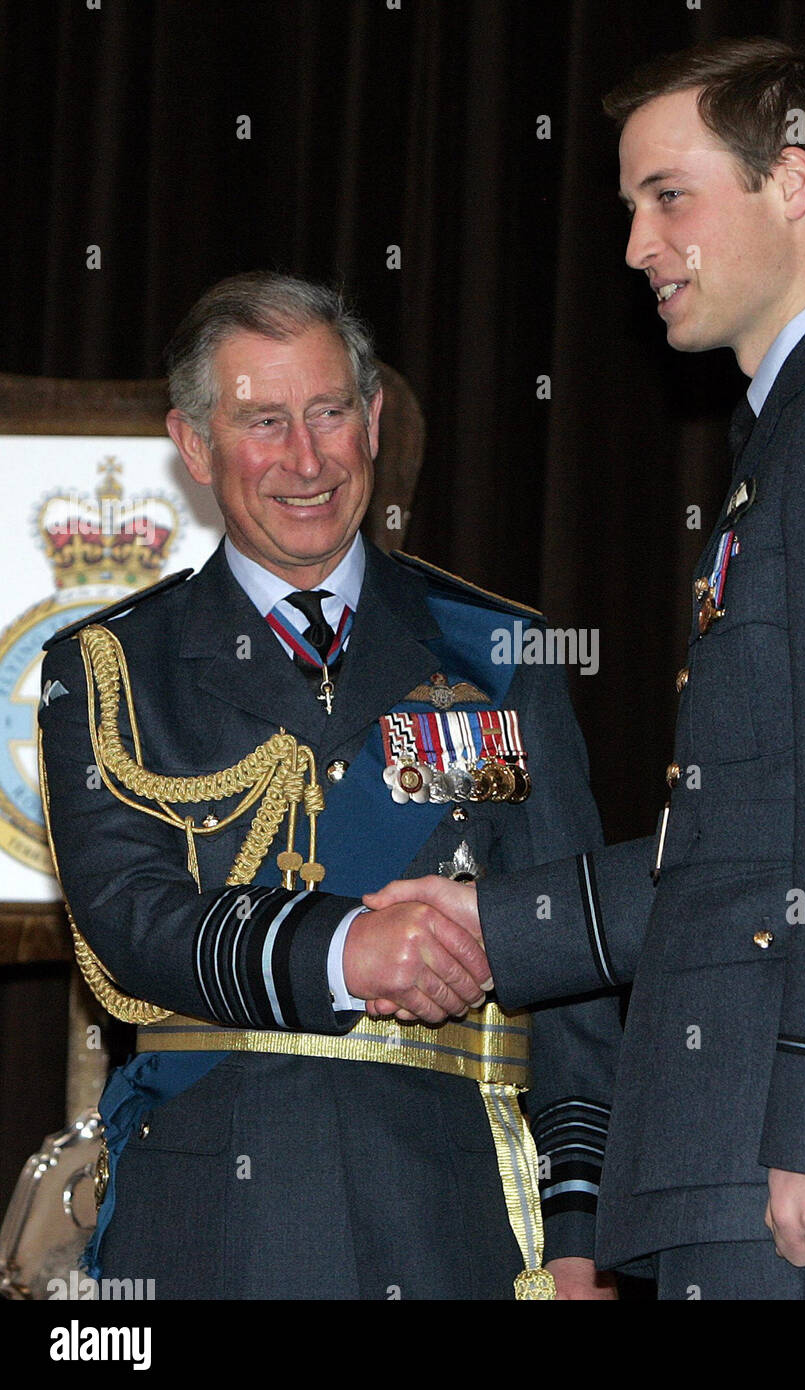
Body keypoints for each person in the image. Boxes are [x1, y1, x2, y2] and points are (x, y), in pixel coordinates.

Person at [366, 38, 805, 1298]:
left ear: (793, 183)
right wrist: (499, 920)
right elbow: (750, 849)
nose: (636, 244)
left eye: (668, 195)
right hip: (755, 1144)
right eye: (629, 206)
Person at [37, 271, 620, 1300]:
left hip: (456, 1224)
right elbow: (131, 922)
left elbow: (571, 969)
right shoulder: (107, 669)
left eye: (329, 413)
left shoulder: (497, 651)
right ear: (195, 442)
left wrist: (579, 1230)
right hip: (208, 1226)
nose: (305, 460)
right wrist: (350, 947)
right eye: (264, 421)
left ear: (374, 419)